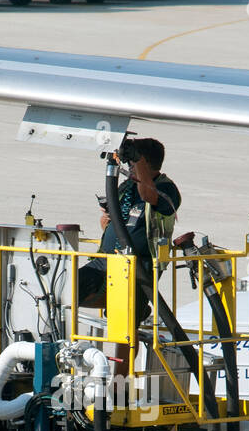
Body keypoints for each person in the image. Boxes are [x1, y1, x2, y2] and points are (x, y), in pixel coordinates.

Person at [77, 137, 181, 324]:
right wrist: (106, 222)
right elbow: (116, 220)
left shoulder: (166, 188)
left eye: (133, 163)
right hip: (105, 261)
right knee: (69, 289)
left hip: (139, 266)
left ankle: (136, 310)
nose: (130, 167)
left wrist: (138, 160)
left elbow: (148, 195)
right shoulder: (128, 186)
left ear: (145, 162)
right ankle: (136, 308)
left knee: (123, 321)